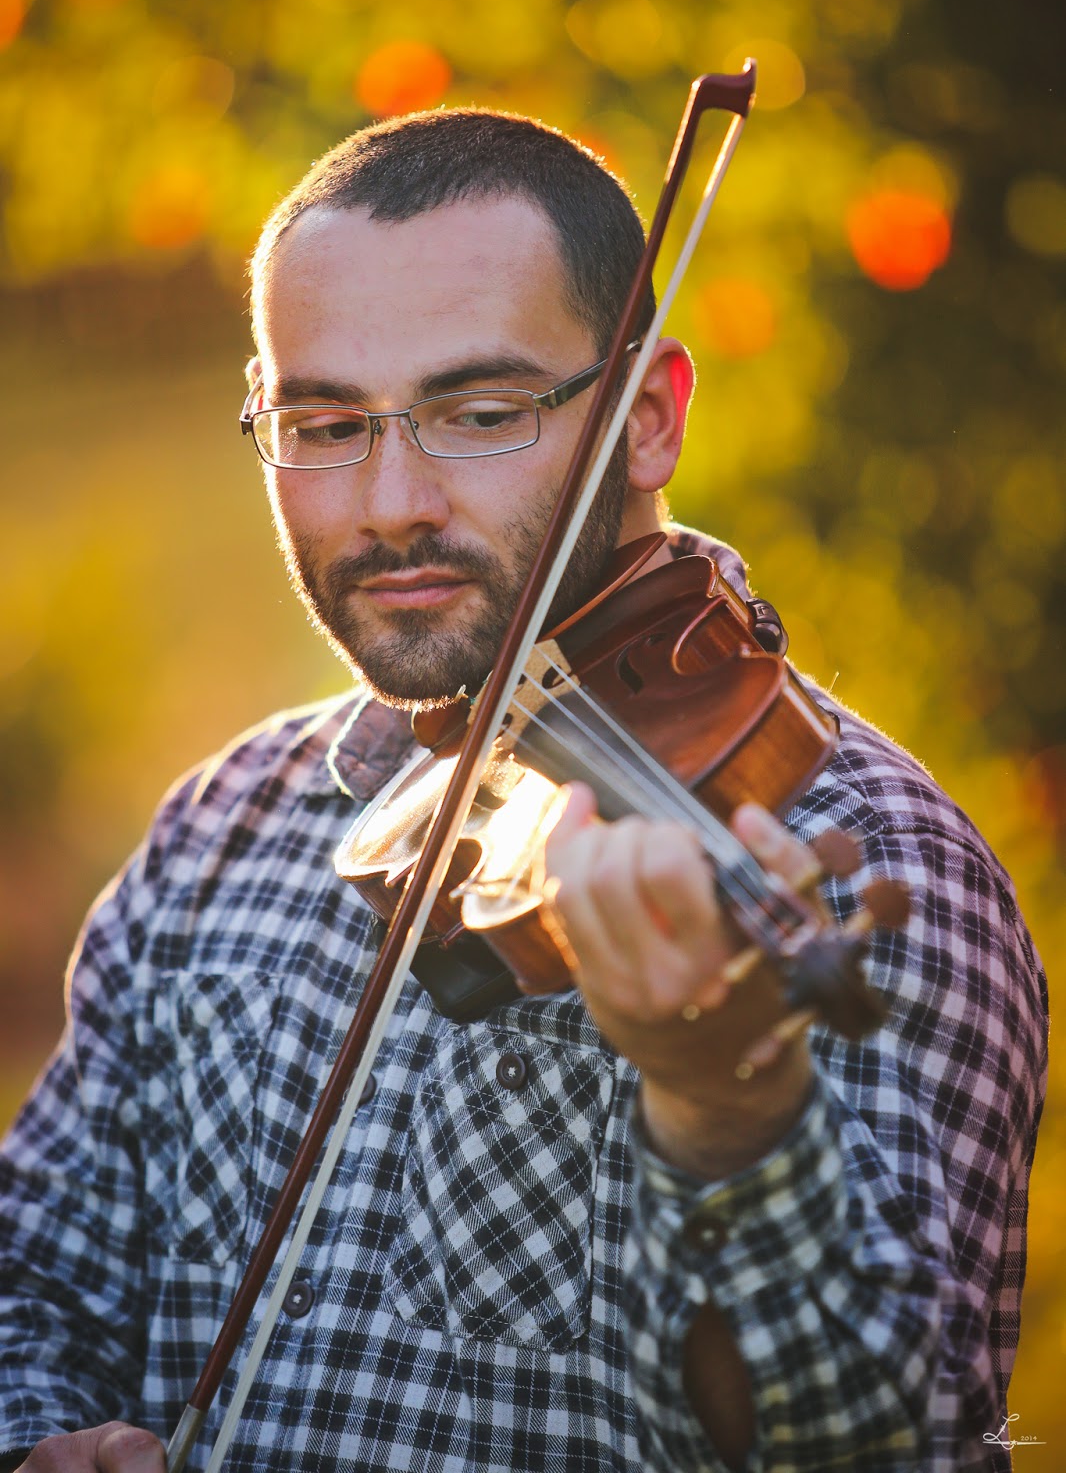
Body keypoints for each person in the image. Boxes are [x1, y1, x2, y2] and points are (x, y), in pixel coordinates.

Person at [0, 109, 1047, 1473]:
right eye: (323, 423)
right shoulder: (224, 825)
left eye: (481, 415)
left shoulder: (865, 863)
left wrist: (729, 1114)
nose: (389, 501)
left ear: (649, 419)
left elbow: (873, 1445)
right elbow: (32, 1283)